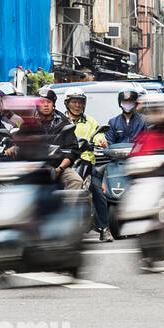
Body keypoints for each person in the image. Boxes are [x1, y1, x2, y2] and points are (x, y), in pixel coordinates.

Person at [64, 89, 112, 241]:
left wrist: (101, 141)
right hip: (65, 163)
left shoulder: (90, 121)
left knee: (98, 191)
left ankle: (105, 228)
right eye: (74, 102)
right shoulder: (61, 121)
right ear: (67, 103)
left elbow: (99, 134)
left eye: (80, 102)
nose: (77, 105)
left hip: (86, 163)